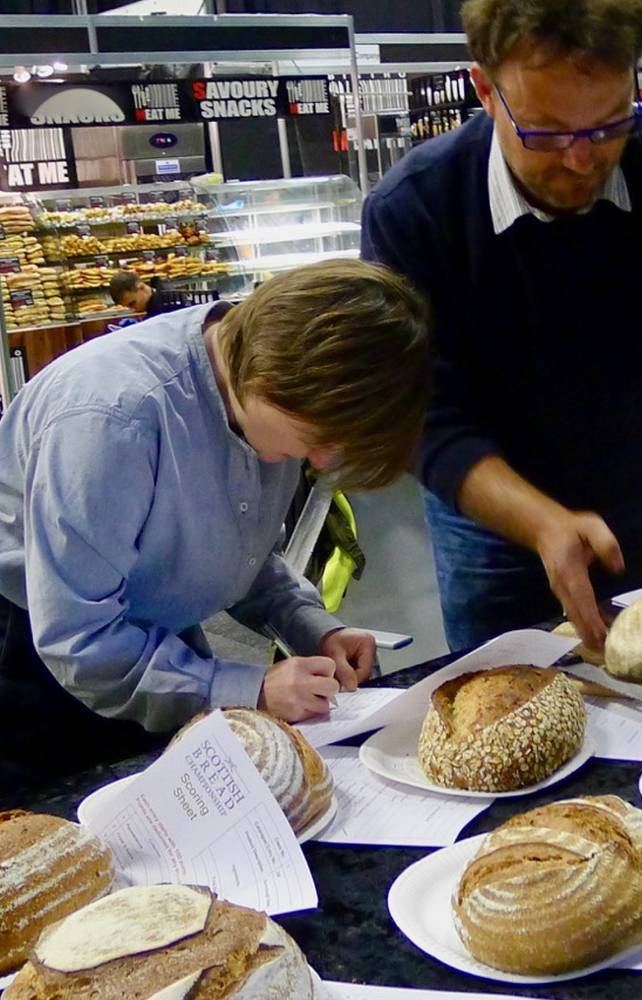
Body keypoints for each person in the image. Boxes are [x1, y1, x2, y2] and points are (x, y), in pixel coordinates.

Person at [360, 0, 642, 654]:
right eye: (545, 132)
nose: (580, 160)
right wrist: (541, 523)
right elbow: (425, 416)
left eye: (608, 126)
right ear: (485, 90)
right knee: (509, 712)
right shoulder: (416, 211)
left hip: (640, 498)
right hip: (492, 523)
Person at [0, 259, 431, 796]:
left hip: (146, 632)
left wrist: (311, 625)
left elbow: (235, 545)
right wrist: (249, 688)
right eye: (318, 436)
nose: (319, 459)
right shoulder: (112, 421)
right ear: (268, 376)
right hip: (39, 655)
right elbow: (80, 641)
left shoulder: (259, 381)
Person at [108, 270, 189, 318]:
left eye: (132, 303)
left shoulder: (170, 301)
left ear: (141, 288)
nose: (134, 310)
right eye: (127, 307)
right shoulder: (154, 300)